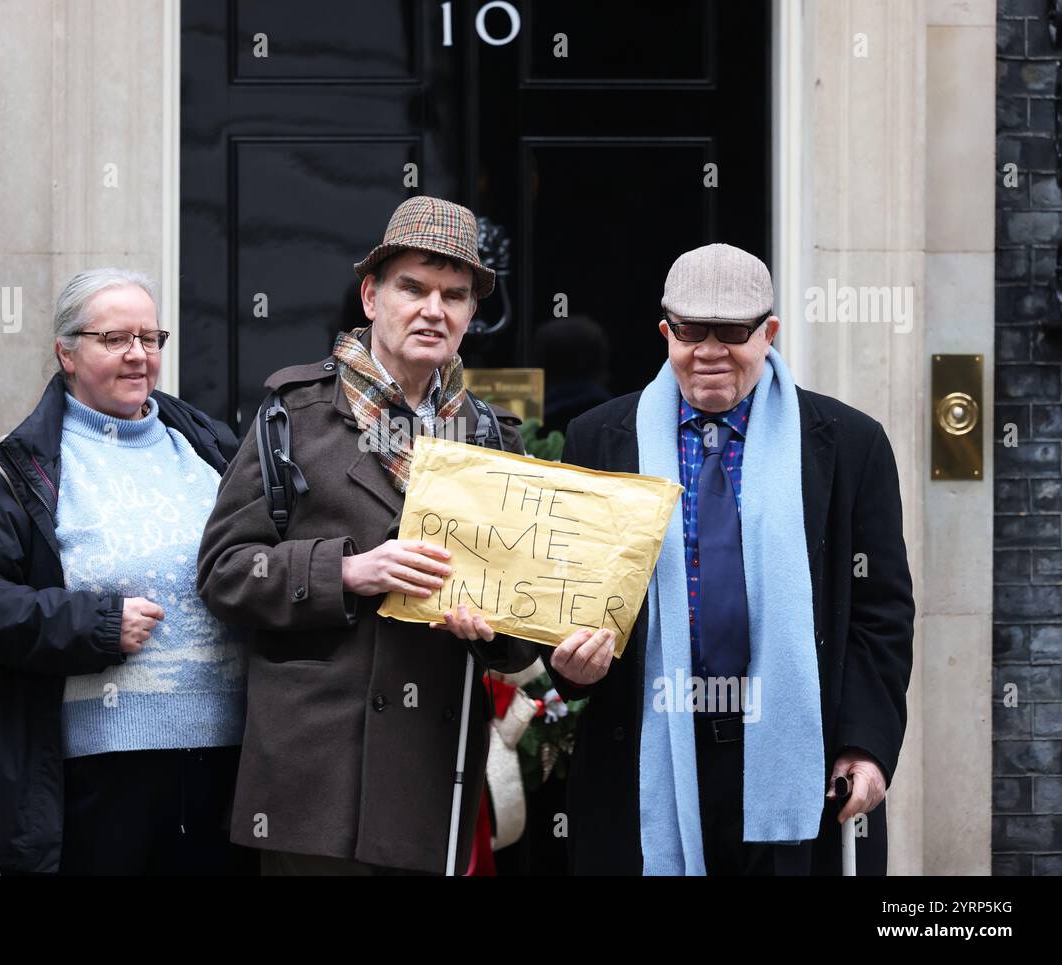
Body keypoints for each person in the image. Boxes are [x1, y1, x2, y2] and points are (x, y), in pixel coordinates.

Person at [198, 196, 601, 875]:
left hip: (433, 774)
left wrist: (494, 629)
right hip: (315, 778)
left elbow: (514, 628)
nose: (433, 309)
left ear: (472, 313)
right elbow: (225, 572)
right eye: (411, 288)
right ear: (370, 295)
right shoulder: (292, 414)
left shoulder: (490, 436)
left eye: (454, 295)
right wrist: (350, 572)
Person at [546, 243, 914, 875]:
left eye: (733, 331)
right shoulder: (598, 437)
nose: (709, 351)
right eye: (690, 330)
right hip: (647, 749)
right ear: (666, 331)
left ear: (768, 333)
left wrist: (867, 747)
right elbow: (568, 597)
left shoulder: (851, 444)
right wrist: (572, 667)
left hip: (799, 757)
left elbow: (880, 613)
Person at [0, 268, 248, 875]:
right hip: (91, 774)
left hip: (226, 763)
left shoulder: (210, 447)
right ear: (65, 352)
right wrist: (94, 624)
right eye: (115, 339)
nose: (138, 355)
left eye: (151, 338)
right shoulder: (14, 468)